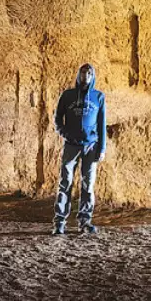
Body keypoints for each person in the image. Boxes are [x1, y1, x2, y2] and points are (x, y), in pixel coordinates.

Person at [52, 63, 106, 235]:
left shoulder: (98, 97)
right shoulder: (67, 96)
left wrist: (102, 148)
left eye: (89, 73)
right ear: (78, 75)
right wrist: (64, 133)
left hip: (91, 146)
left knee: (87, 184)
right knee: (65, 182)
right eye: (83, 73)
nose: (85, 76)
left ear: (93, 76)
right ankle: (60, 222)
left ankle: (85, 220)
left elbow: (101, 124)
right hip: (71, 146)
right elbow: (58, 118)